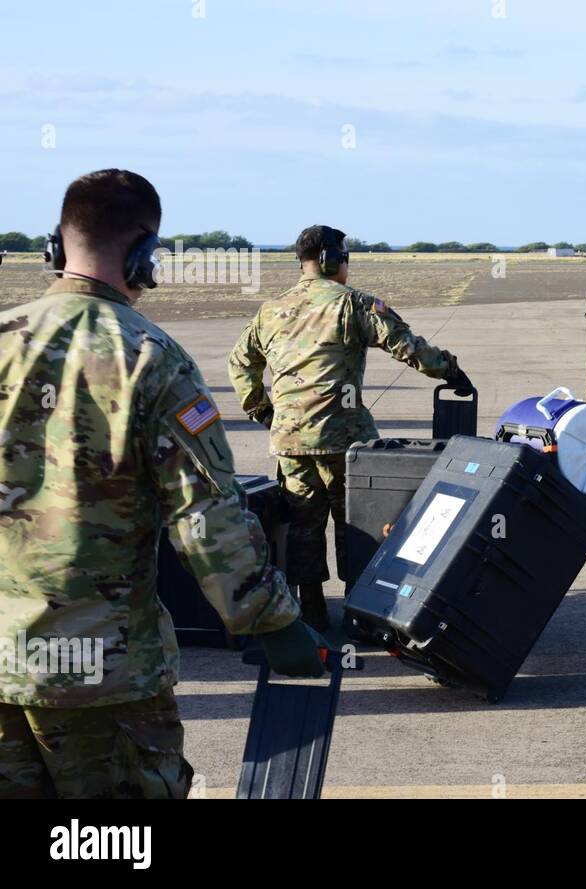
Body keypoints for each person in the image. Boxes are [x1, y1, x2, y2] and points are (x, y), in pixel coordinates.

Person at [0, 170, 322, 799]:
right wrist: (276, 625)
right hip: (105, 676)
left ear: (56, 248)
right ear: (146, 256)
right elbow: (207, 516)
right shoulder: (149, 357)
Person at [229, 225, 470, 629]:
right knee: (358, 522)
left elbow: (240, 362)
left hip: (290, 441)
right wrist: (450, 370)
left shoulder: (270, 310)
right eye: (344, 258)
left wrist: (264, 411)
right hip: (345, 440)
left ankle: (312, 609)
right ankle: (361, 609)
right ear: (330, 260)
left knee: (304, 525)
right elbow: (408, 347)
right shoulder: (354, 305)